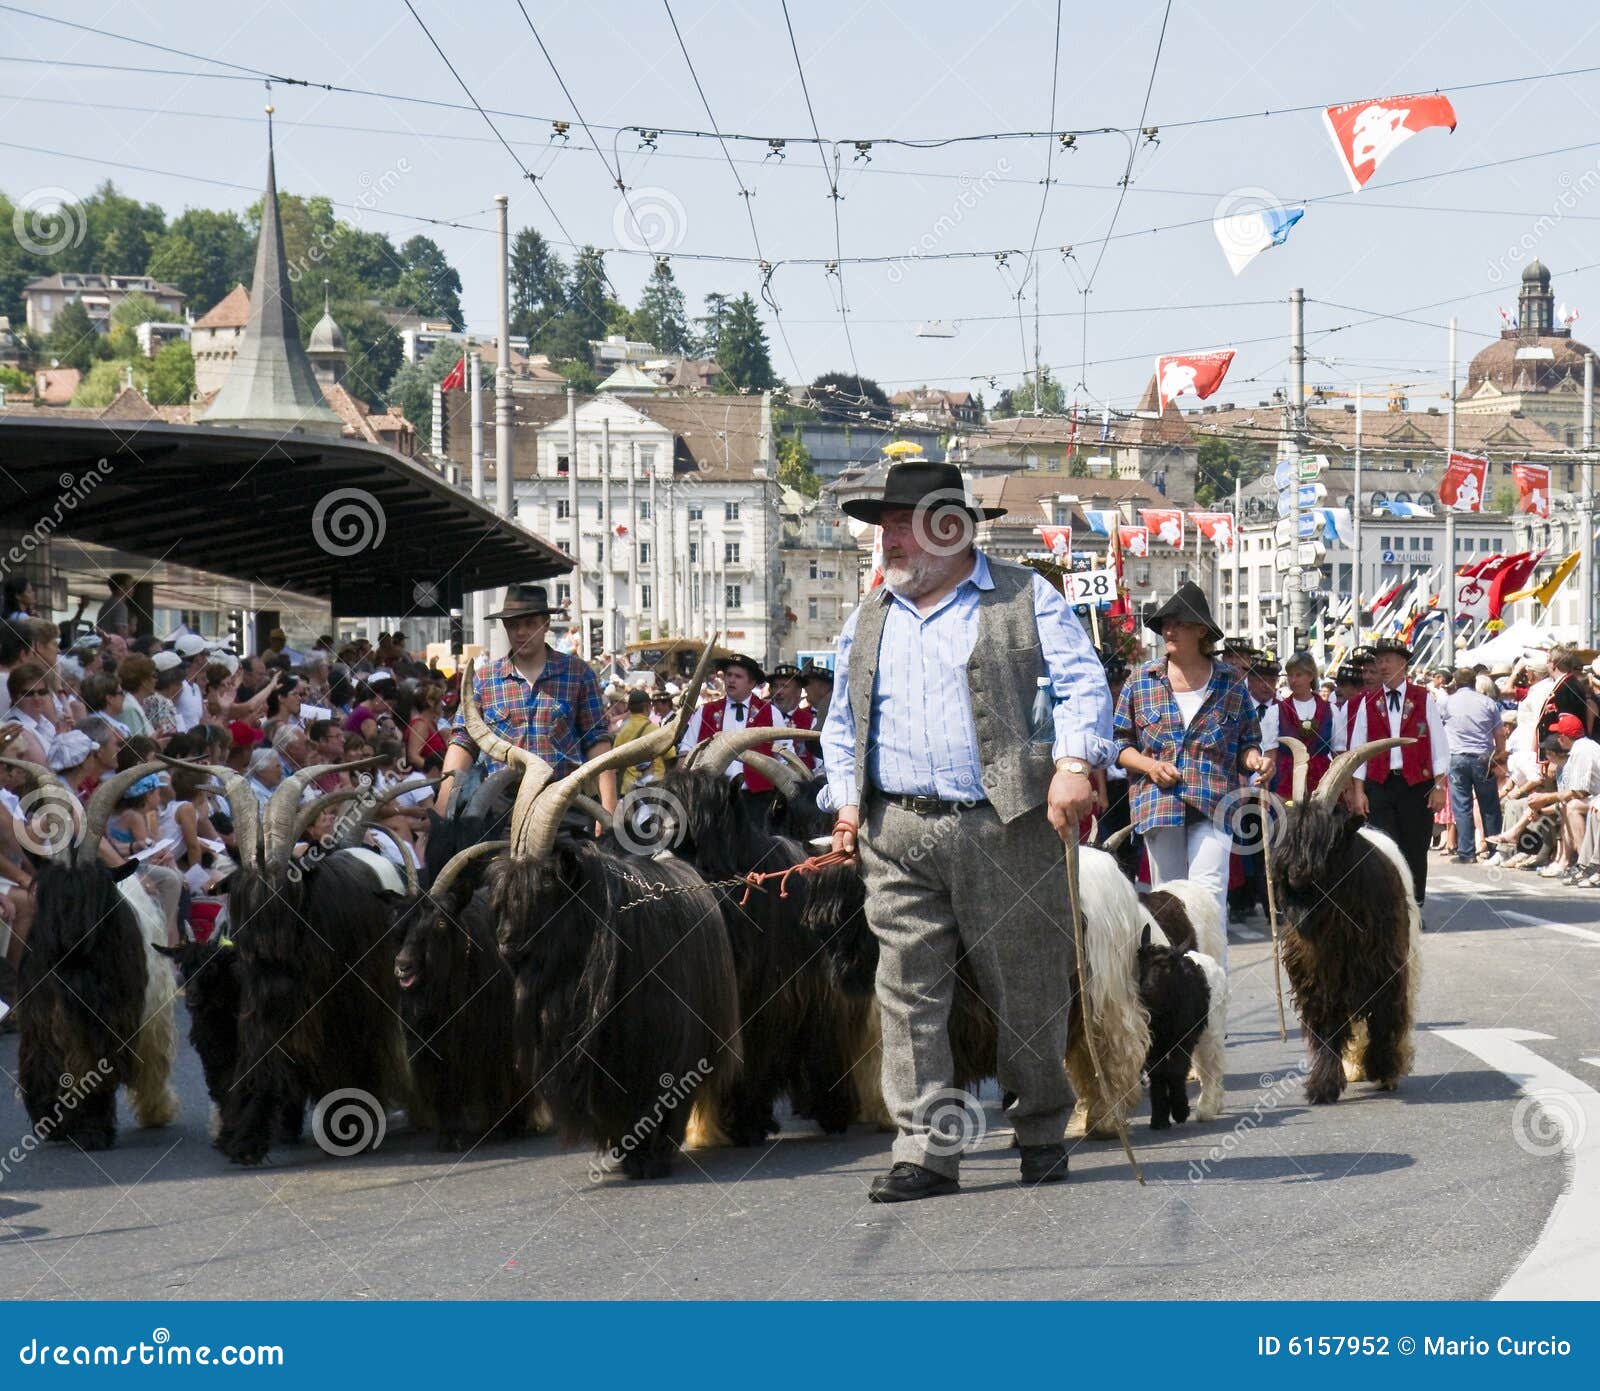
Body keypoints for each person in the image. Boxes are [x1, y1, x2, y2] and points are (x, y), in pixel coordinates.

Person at [821, 457, 1112, 1202]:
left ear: (948, 530)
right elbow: (842, 722)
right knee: (907, 991)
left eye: (898, 526)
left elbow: (1083, 683)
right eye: (881, 526)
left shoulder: (1026, 597)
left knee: (1028, 989)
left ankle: (1042, 1127)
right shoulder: (871, 614)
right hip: (898, 829)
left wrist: (1075, 763)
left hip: (1007, 825)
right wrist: (846, 801)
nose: (886, 540)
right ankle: (926, 1147)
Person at [1116, 582, 1271, 942]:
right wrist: (1150, 766)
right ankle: (1175, 986)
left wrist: (1256, 761)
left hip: (1215, 801)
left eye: (1179, 623)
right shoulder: (1141, 681)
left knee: (1209, 897)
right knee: (1166, 902)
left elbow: (1248, 742)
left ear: (1201, 630)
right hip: (1158, 804)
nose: (1168, 630)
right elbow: (1120, 745)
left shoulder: (1231, 682)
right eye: (1165, 624)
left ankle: (1213, 983)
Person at [437, 584, 616, 816]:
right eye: (513, 625)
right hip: (500, 809)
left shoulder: (578, 674)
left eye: (530, 623)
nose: (521, 632)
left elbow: (597, 740)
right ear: (505, 627)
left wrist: (608, 806)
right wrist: (442, 805)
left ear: (546, 624)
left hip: (564, 806)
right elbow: (462, 741)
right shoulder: (485, 679)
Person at [1346, 637, 1450, 913]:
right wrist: (1358, 792)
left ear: (1403, 663)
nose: (1381, 665)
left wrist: (1439, 786)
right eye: (1378, 660)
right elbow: (1359, 750)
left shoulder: (1423, 698)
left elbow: (1439, 743)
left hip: (1417, 784)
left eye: (1387, 659)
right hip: (1380, 784)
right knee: (1383, 849)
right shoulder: (1368, 703)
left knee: (1415, 848)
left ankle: (1415, 906)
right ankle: (1390, 910)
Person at [677, 653, 782, 819]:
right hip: (715, 799)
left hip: (757, 799)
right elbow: (686, 752)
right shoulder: (705, 711)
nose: (731, 680)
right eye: (728, 675)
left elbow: (783, 756)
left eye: (738, 676)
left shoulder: (771, 713)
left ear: (751, 683)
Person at [1443, 666, 1507, 865]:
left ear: (1456, 682)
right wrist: (1500, 755)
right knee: (1489, 805)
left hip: (1456, 757)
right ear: (1474, 682)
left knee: (1461, 805)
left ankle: (1466, 852)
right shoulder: (1488, 702)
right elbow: (1500, 734)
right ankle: (1494, 849)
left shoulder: (1447, 702)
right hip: (1482, 757)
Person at [1272, 652, 1335, 798]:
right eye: (1290, 675)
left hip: (1321, 783)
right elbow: (1271, 754)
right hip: (1286, 781)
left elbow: (1338, 753)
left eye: (1299, 675)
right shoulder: (1276, 711)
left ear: (1311, 676)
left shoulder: (1330, 710)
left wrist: (1347, 787)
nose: (1293, 680)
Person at [766, 663, 818, 770]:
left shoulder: (811, 721)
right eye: (775, 686)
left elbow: (819, 762)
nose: (779, 692)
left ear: (798, 692)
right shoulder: (763, 716)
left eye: (784, 686)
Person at [612, 690, 665, 794]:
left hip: (627, 789)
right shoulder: (655, 730)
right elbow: (670, 754)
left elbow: (615, 760)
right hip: (653, 788)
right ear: (646, 707)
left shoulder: (622, 731)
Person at [98, 574, 134, 639]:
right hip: (113, 644)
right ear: (121, 588)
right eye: (130, 585)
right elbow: (120, 631)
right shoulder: (120, 606)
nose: (133, 588)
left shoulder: (107, 603)